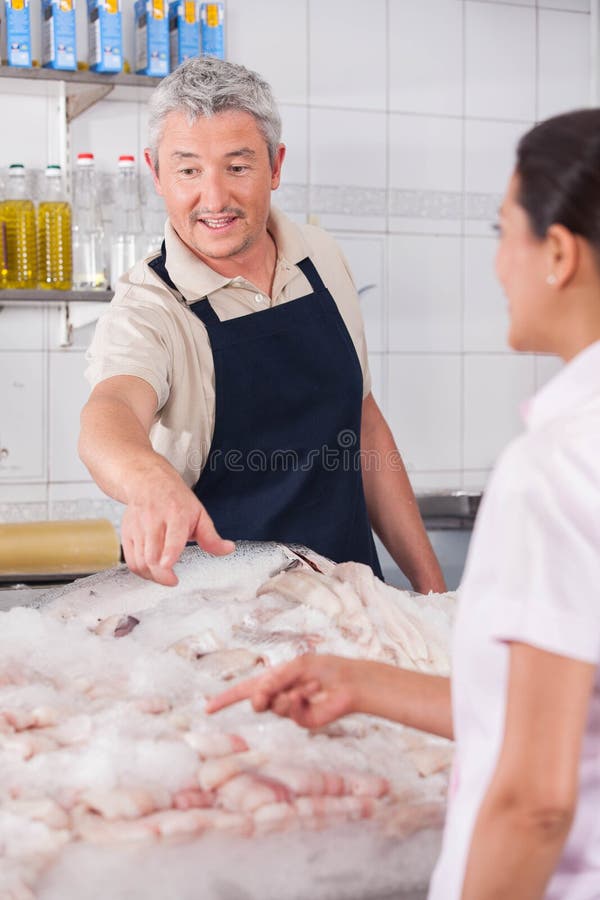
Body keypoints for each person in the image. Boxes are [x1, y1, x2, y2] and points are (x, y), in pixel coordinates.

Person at [207, 108, 600, 900]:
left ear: (556, 253)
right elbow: (556, 715)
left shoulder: (556, 466)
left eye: (502, 231)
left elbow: (532, 802)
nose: (497, 266)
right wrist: (363, 683)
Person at [79, 57, 444, 593]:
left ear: (275, 166)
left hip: (351, 600)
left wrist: (435, 596)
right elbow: (108, 415)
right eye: (188, 170)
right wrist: (148, 480)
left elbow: (364, 425)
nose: (215, 199)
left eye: (238, 166)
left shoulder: (319, 257)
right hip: (219, 624)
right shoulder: (149, 306)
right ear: (157, 175)